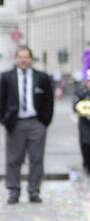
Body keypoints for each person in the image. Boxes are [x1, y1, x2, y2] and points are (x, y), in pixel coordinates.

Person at [1, 46, 55, 204]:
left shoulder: (42, 77)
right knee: (13, 159)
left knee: (36, 158)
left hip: (36, 122)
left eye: (26, 57)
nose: (23, 60)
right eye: (20, 57)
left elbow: (49, 101)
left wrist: (45, 120)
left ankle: (34, 190)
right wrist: (4, 119)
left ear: (31, 59)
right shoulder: (6, 77)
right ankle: (13, 190)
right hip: (15, 123)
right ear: (16, 59)